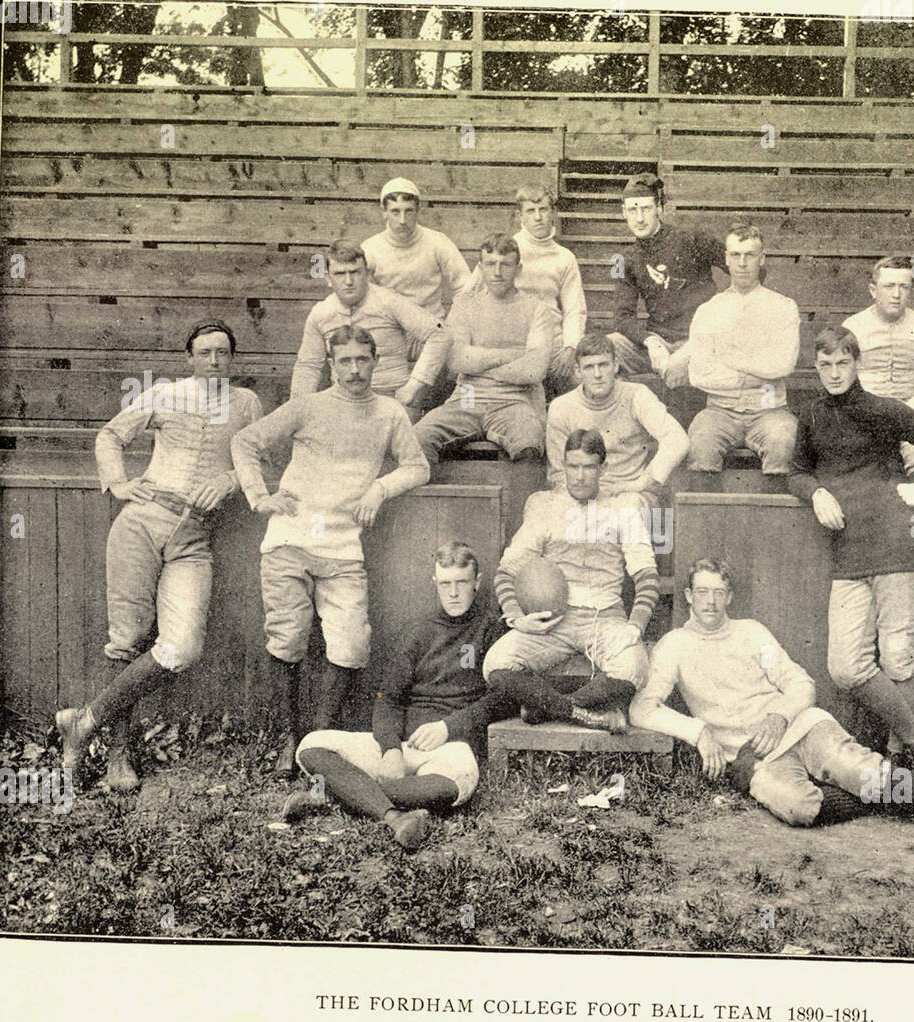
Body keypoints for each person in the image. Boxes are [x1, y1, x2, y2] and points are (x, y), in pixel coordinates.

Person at [629, 560, 914, 849]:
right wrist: (699, 733)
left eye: (718, 592)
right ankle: (891, 797)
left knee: (861, 771)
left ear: (729, 596)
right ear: (688, 596)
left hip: (802, 728)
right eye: (702, 592)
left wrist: (779, 716)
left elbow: (799, 681)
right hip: (756, 757)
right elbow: (642, 709)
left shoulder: (751, 634)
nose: (711, 602)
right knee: (799, 807)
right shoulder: (675, 646)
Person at [56, 319, 264, 792]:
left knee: (183, 648)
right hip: (143, 521)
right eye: (205, 352)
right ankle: (117, 756)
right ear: (189, 357)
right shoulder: (166, 394)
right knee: (125, 640)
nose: (215, 361)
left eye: (223, 353)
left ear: (232, 359)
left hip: (195, 536)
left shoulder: (247, 403)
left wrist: (229, 480)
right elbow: (110, 435)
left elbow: (258, 459)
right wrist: (118, 483)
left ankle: (83, 722)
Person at [231, 325, 431, 774]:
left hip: (343, 547)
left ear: (376, 360)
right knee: (287, 639)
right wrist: (260, 498)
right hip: (289, 540)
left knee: (351, 645)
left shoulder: (389, 412)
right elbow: (244, 441)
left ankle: (317, 744)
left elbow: (418, 468)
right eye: (345, 361)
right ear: (331, 364)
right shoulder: (308, 406)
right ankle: (290, 740)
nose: (355, 370)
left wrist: (379, 488)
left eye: (363, 360)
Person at [787, 325, 914, 767]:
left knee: (901, 659)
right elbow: (796, 471)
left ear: (856, 363)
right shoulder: (810, 416)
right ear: (817, 368)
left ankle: (902, 763)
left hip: (900, 549)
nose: (834, 372)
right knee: (845, 666)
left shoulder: (885, 410)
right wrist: (817, 493)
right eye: (825, 365)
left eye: (843, 362)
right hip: (850, 554)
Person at [284, 543, 514, 850]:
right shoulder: (417, 631)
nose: (454, 593)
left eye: (461, 583)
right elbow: (389, 698)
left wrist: (448, 726)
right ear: (435, 584)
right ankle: (396, 817)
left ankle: (336, 794)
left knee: (452, 786)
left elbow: (501, 698)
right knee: (312, 746)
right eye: (446, 584)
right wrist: (391, 750)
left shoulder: (490, 630)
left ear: (477, 582)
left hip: (449, 747)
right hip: (400, 746)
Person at [483, 429, 659, 733]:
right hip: (554, 621)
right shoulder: (546, 509)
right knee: (495, 664)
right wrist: (516, 618)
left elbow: (647, 576)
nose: (579, 476)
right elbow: (506, 572)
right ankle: (585, 715)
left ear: (603, 468)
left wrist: (636, 625)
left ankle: (548, 709)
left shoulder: (623, 510)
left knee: (635, 668)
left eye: (588, 467)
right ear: (563, 466)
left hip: (605, 617)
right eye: (572, 466)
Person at [411, 233, 554, 464]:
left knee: (530, 443)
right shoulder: (465, 305)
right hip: (466, 398)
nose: (497, 272)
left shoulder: (536, 309)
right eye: (491, 264)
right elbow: (456, 360)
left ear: (518, 269)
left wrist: (478, 364)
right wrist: (512, 355)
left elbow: (534, 371)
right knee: (417, 438)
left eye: (506, 265)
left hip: (515, 401)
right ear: (481, 267)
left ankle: (523, 502)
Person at [684, 223, 799, 490]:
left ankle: (771, 530)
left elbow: (783, 364)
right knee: (701, 441)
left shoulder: (783, 307)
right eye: (735, 255)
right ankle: (710, 529)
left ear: (762, 258)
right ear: (726, 258)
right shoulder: (709, 310)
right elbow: (698, 373)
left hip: (771, 410)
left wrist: (728, 360)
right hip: (719, 410)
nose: (743, 263)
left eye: (750, 255)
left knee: (784, 441)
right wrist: (756, 372)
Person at [290, 239, 450, 418]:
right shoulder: (321, 313)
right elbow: (308, 365)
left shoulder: (389, 301)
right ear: (328, 278)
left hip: (392, 399)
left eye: (355, 272)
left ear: (366, 273)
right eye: (340, 274)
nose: (348, 281)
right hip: (344, 402)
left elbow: (440, 333)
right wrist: (299, 410)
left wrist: (415, 383)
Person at [606, 173, 724, 394]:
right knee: (604, 352)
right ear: (623, 212)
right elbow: (622, 318)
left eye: (646, 209)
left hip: (697, 340)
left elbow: (741, 267)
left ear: (659, 208)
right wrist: (650, 341)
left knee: (675, 369)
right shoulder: (623, 259)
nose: (639, 218)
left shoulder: (691, 239)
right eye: (632, 210)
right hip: (658, 341)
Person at [466, 183, 586, 400]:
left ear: (553, 213)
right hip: (514, 344)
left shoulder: (565, 257)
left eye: (544, 210)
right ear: (520, 216)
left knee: (587, 387)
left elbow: (574, 309)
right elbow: (470, 294)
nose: (538, 217)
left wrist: (570, 348)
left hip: (554, 347)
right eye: (531, 211)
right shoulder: (507, 250)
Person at [546, 332, 688, 509]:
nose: (597, 374)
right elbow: (559, 474)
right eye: (589, 367)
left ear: (615, 366)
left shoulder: (637, 395)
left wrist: (641, 483)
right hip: (582, 496)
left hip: (631, 494)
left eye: (604, 365)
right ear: (578, 371)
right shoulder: (561, 406)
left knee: (628, 509)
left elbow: (677, 440)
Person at [842, 255, 914, 474]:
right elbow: (844, 382)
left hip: (913, 413)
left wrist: (904, 412)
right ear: (873, 290)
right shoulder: (853, 326)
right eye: (889, 286)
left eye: (904, 287)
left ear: (911, 290)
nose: (896, 294)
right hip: (866, 415)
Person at [361, 177, 471, 320]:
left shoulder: (437, 242)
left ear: (418, 211)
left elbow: (465, 286)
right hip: (390, 329)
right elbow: (360, 296)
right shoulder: (370, 248)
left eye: (409, 211)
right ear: (384, 212)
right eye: (395, 212)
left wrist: (455, 322)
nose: (402, 220)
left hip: (432, 326)